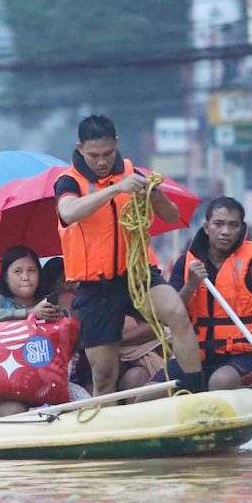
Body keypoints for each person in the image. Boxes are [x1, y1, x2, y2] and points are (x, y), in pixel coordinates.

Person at [54, 114, 205, 397]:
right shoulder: (68, 182)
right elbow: (69, 212)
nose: (102, 161)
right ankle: (107, 423)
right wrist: (114, 189)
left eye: (108, 153)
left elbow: (171, 216)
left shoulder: (132, 174)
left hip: (137, 273)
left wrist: (157, 197)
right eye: (94, 155)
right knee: (104, 373)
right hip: (95, 286)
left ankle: (196, 391)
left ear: (117, 144)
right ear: (79, 148)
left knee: (177, 313)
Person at [167, 196, 252, 391]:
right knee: (151, 391)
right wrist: (190, 286)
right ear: (207, 227)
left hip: (244, 356)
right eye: (219, 224)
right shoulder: (185, 264)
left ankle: (249, 385)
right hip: (194, 355)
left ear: (241, 228)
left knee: (219, 383)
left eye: (233, 225)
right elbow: (169, 314)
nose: (225, 231)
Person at [0, 246, 87, 416]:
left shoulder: (49, 302)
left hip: (47, 382)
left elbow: (72, 343)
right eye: (17, 271)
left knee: (86, 404)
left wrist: (61, 318)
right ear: (5, 277)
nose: (26, 277)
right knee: (16, 411)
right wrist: (29, 314)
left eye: (31, 270)